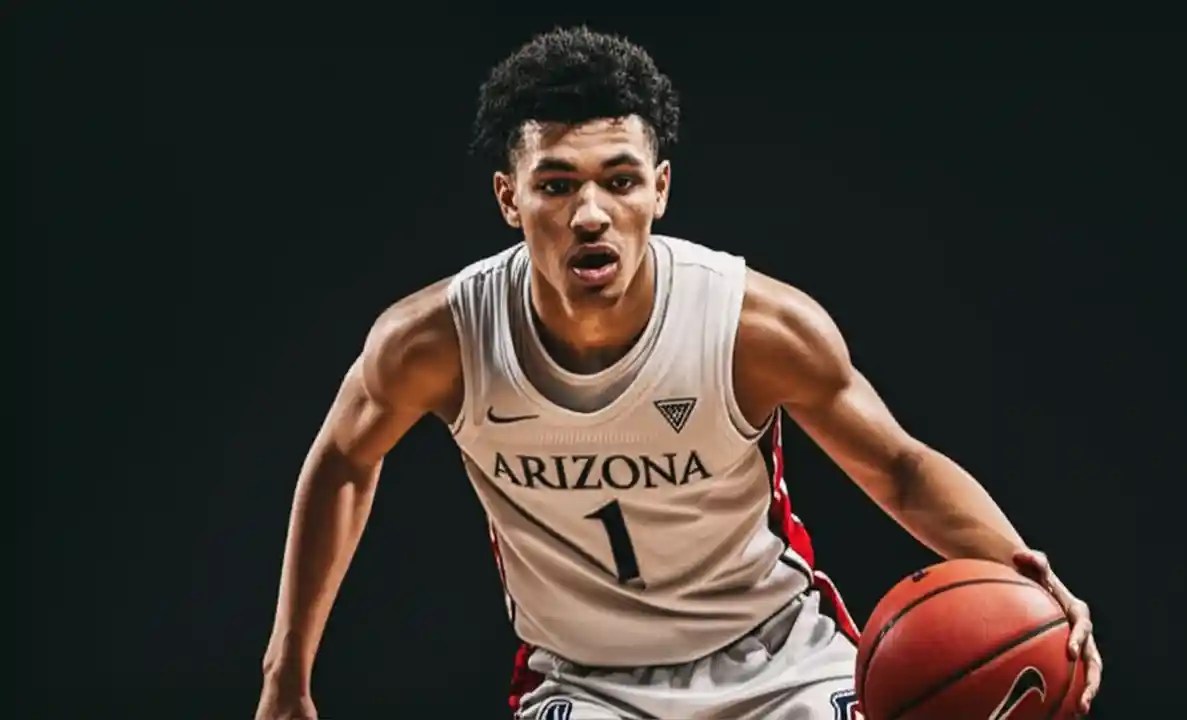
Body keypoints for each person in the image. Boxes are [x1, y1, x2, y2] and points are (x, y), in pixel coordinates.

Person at [253, 25, 1103, 720]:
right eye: (557, 185)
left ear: (658, 189)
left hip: (779, 662)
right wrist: (284, 677)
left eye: (619, 180)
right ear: (510, 199)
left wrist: (1027, 570)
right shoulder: (438, 340)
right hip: (585, 681)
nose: (592, 213)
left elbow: (900, 466)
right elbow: (343, 464)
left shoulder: (750, 325)